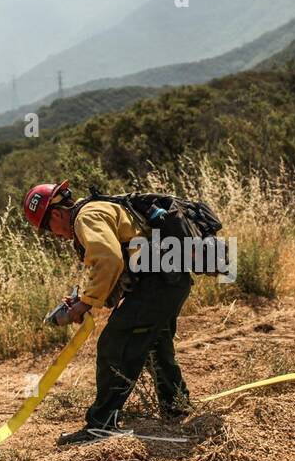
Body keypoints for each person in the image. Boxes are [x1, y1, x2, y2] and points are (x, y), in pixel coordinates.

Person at [23, 180, 191, 445]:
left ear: (55, 214)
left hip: (158, 285)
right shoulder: (97, 209)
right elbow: (120, 265)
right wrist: (84, 299)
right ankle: (177, 407)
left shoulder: (85, 218)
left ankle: (101, 425)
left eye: (47, 229)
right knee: (155, 344)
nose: (54, 235)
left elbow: (110, 260)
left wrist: (86, 303)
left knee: (115, 344)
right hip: (170, 282)